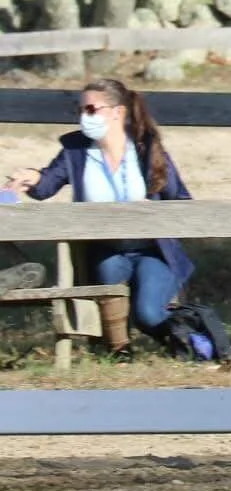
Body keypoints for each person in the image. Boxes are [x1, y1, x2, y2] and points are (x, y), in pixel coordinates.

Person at [3, 78, 196, 352]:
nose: (84, 116)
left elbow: (182, 201)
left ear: (117, 112)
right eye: (81, 110)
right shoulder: (77, 151)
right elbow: (48, 184)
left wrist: (153, 211)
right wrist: (32, 177)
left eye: (91, 109)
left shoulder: (146, 149)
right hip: (107, 248)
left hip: (153, 249)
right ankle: (118, 350)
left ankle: (191, 341)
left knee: (148, 314)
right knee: (109, 275)